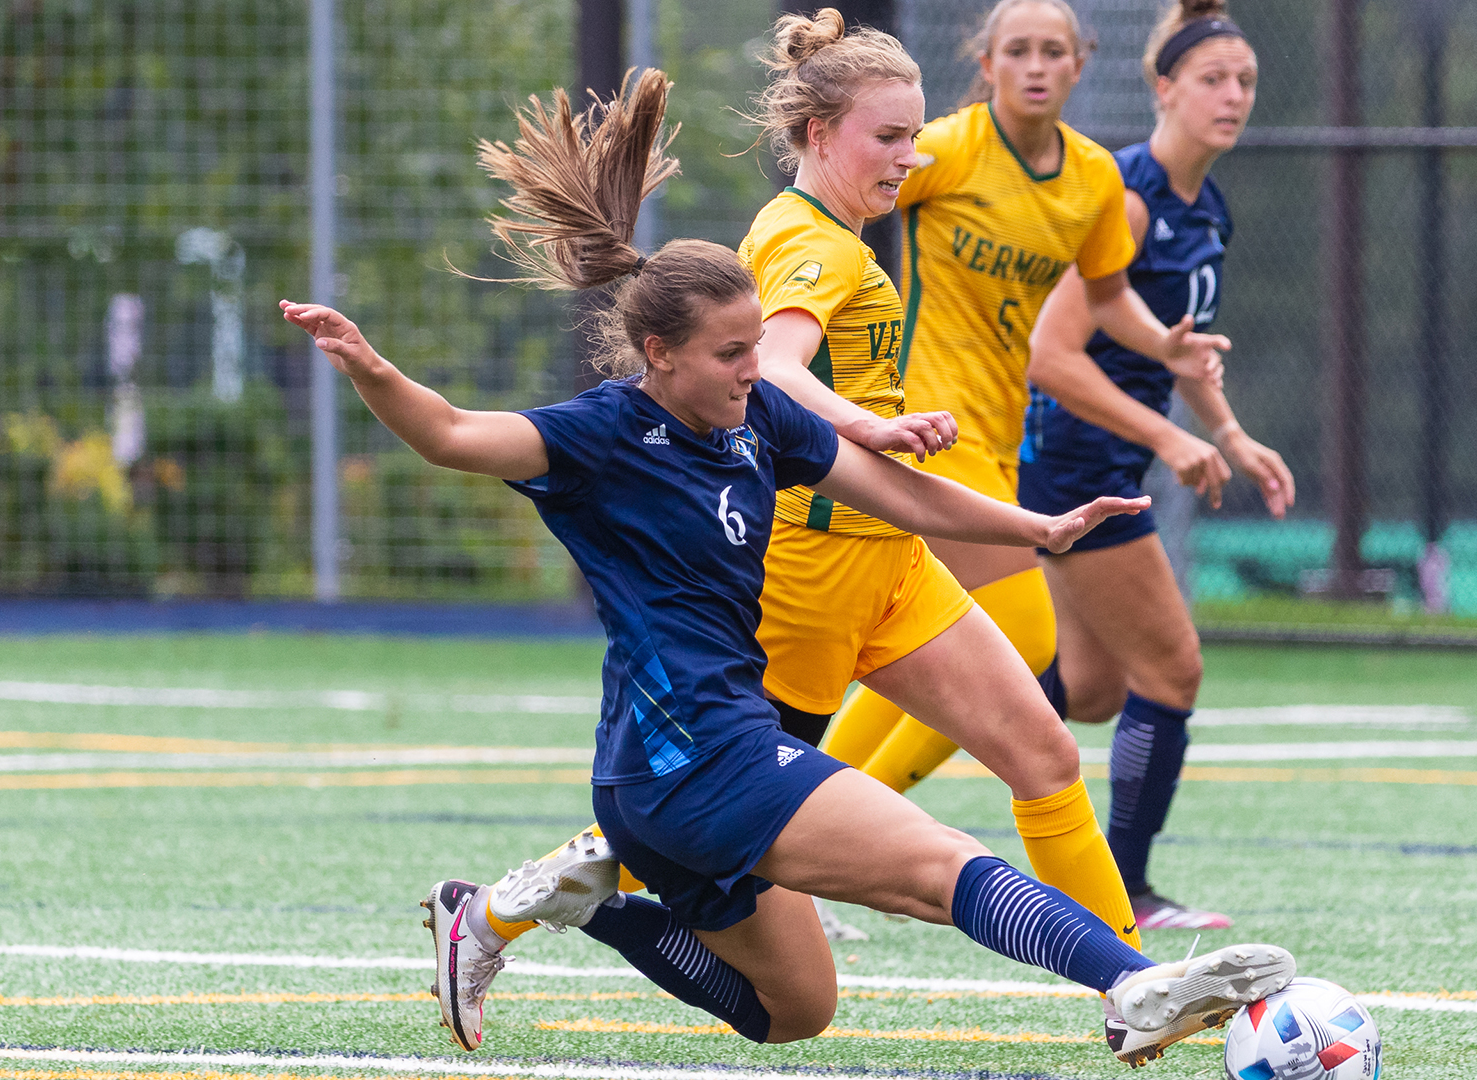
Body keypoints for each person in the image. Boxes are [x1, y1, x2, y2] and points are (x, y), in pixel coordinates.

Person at [282, 65, 1293, 1068]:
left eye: (753, 345)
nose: (753, 368)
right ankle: (1130, 983)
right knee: (941, 865)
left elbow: (894, 494)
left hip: (669, 769)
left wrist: (1040, 528)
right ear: (657, 354)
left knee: (795, 1010)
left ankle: (586, 904)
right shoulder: (602, 436)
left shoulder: (753, 413)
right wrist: (373, 370)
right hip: (697, 761)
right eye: (732, 354)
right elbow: (456, 434)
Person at [474, 4, 1156, 972]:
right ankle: (523, 899)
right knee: (721, 817)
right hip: (807, 572)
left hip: (889, 561)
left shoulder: (835, 231)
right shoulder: (812, 244)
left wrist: (1034, 525)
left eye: (915, 135)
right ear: (818, 133)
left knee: (1041, 754)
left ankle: (1138, 983)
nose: (908, 157)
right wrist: (871, 425)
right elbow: (780, 370)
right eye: (888, 137)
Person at [816, 0, 1227, 825]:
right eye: (1018, 51)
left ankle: (801, 832)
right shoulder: (950, 148)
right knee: (1026, 643)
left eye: (1052, 51)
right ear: (988, 66)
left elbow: (1109, 296)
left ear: (1079, 65)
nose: (1035, 65)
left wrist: (1165, 347)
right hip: (925, 429)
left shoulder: (1093, 178)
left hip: (1001, 442)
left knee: (921, 650)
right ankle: (829, 831)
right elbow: (841, 193)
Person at [1017, 0, 1295, 930]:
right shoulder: (1128, 196)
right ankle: (1121, 893)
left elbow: (1180, 350)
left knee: (1090, 691)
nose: (1233, 95)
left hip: (1113, 455)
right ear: (1164, 87)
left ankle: (927, 715)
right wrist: (1172, 438)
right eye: (1213, 78)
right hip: (1077, 457)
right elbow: (1052, 357)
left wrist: (1228, 433)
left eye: (1246, 80)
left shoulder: (1206, 205)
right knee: (1173, 672)